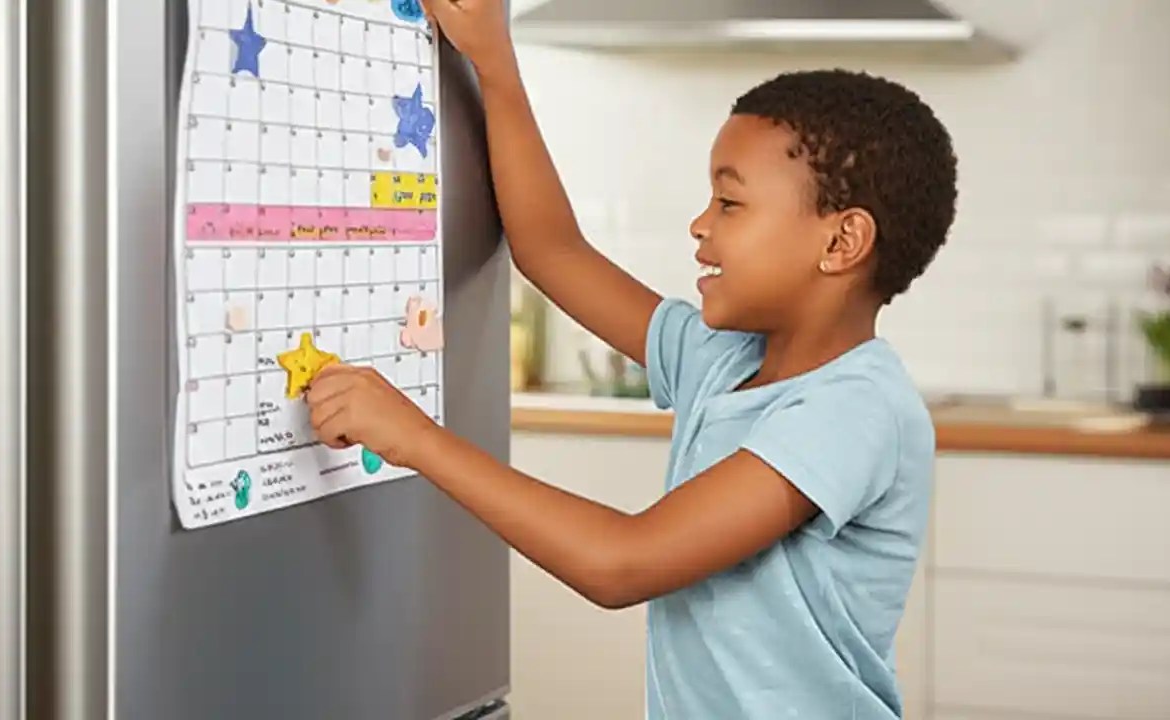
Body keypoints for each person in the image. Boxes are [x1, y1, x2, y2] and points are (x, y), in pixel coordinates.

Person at [306, 0, 958, 716]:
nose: (700, 224)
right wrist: (496, 67)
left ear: (840, 242)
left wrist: (416, 438)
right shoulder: (722, 359)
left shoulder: (853, 409)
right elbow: (552, 252)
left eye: (730, 203)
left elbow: (622, 563)